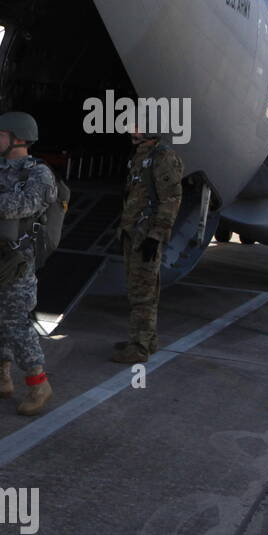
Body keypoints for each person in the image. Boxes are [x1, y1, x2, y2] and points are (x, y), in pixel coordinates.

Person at [0, 111, 56, 415]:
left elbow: (26, 204)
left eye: (1, 134)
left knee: (16, 322)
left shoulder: (37, 173)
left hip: (18, 260)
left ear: (18, 138)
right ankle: (1, 379)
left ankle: (38, 384)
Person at [112, 124, 183, 363]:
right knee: (139, 290)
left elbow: (171, 199)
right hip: (133, 233)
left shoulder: (163, 157)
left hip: (146, 235)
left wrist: (156, 235)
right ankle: (145, 339)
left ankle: (139, 347)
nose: (131, 130)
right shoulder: (140, 157)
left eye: (137, 127)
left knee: (143, 293)